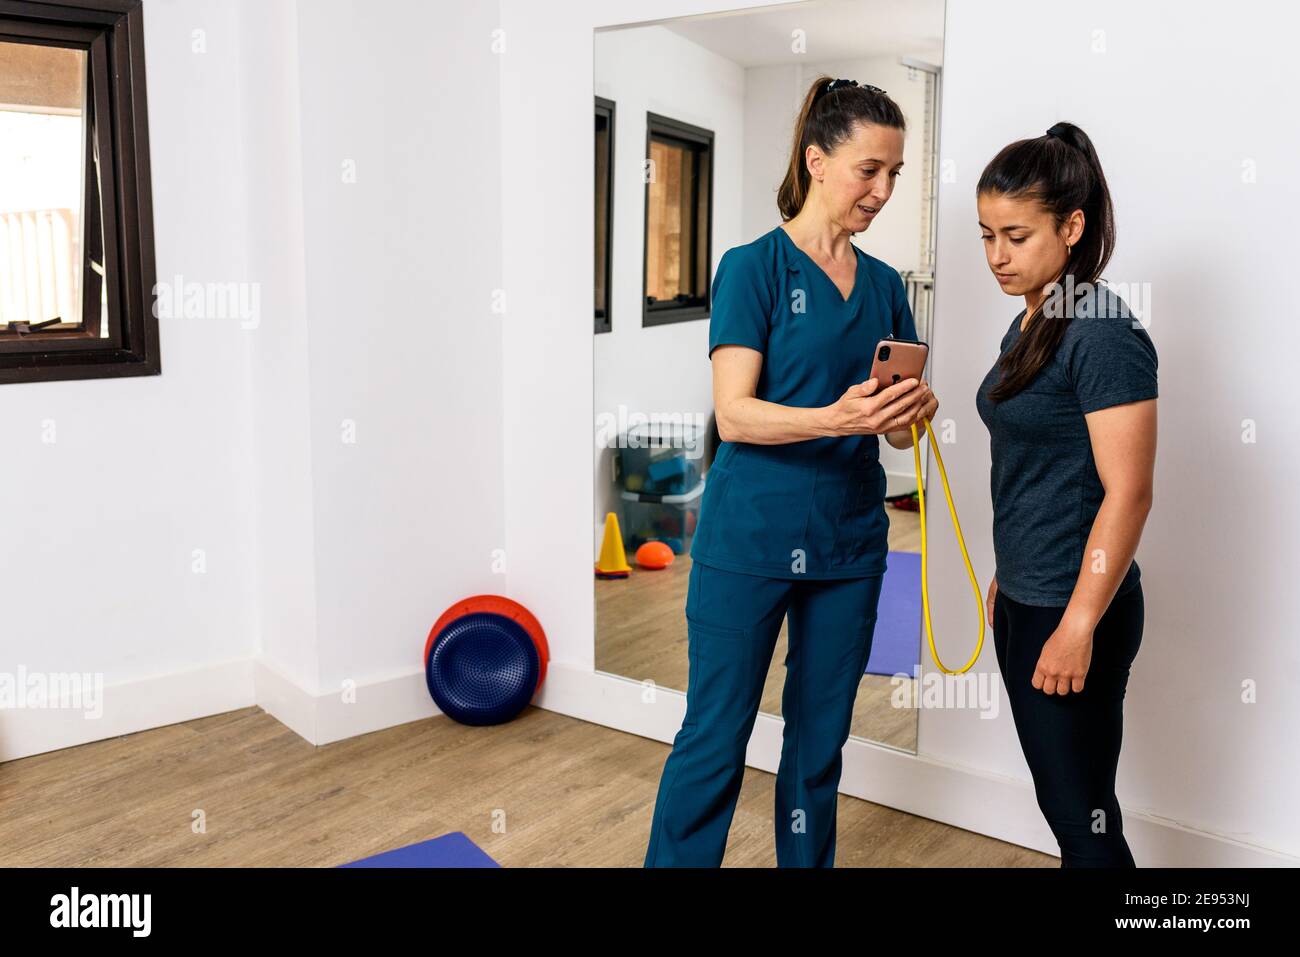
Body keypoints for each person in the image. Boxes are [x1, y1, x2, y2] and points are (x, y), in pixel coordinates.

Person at [643, 76, 937, 867]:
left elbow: (899, 440)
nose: (882, 190)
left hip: (849, 546)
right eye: (868, 169)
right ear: (816, 160)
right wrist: (836, 417)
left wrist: (910, 416)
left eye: (895, 174)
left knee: (817, 747)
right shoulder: (753, 268)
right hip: (751, 537)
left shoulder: (882, 286)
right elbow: (734, 413)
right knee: (715, 737)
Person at [974, 121, 1158, 866]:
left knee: (1080, 822)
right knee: (1081, 809)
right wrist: (1009, 574)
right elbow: (1039, 465)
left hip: (1071, 609)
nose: (996, 255)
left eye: (1015, 235)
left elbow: (1129, 493)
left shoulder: (1102, 330)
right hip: (1027, 597)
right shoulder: (1035, 320)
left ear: (1072, 226)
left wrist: (1078, 621)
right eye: (986, 234)